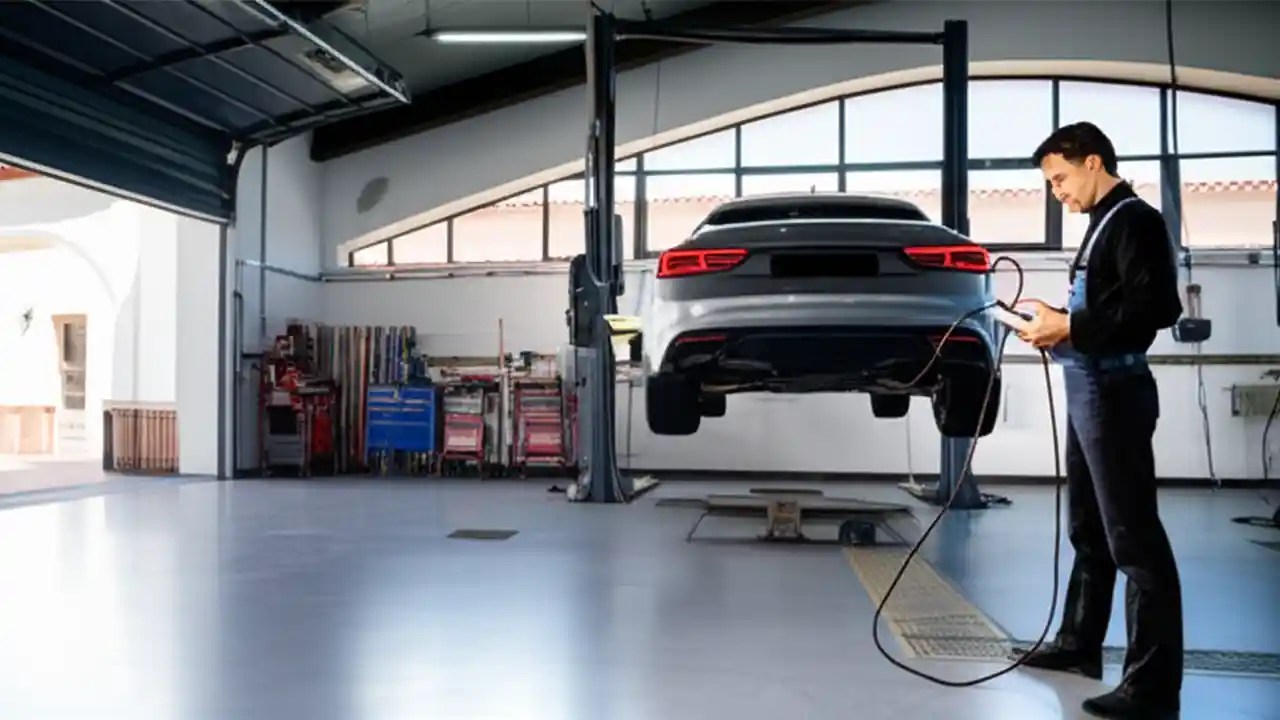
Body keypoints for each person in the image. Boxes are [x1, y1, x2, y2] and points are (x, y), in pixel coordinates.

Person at [1010, 122, 1185, 720]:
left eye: (1059, 178)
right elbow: (1109, 305)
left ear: (1092, 161)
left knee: (1134, 540)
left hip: (1115, 392)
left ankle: (1151, 688)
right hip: (1088, 385)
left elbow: (1156, 308)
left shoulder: (1136, 219)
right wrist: (1056, 319)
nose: (1056, 190)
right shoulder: (1102, 224)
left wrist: (1071, 327)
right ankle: (1078, 645)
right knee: (1088, 528)